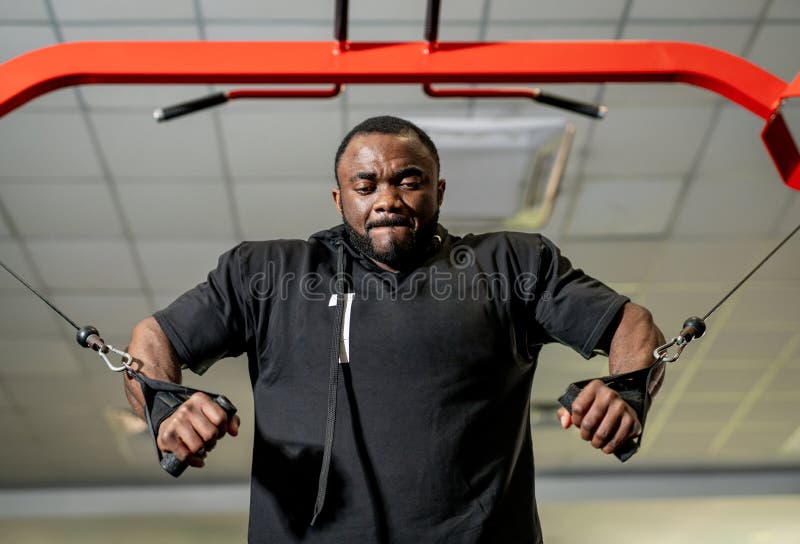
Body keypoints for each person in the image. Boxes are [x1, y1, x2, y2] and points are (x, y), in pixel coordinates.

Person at [124, 115, 665, 543]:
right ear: (340, 200)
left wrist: (626, 390)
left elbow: (630, 324)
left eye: (409, 181)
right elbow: (154, 338)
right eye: (366, 185)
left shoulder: (510, 265)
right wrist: (164, 404)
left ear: (439, 191)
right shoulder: (268, 273)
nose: (388, 199)